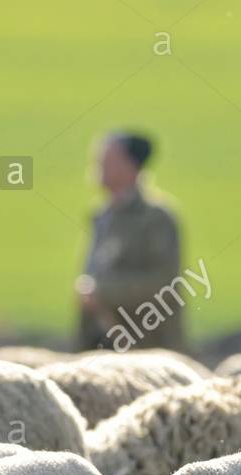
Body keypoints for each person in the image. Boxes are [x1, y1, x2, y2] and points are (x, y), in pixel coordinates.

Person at [76, 132, 185, 351]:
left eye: (107, 160)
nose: (98, 166)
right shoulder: (100, 215)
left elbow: (164, 283)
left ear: (130, 167)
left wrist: (102, 292)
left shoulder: (156, 218)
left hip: (148, 348)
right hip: (101, 343)